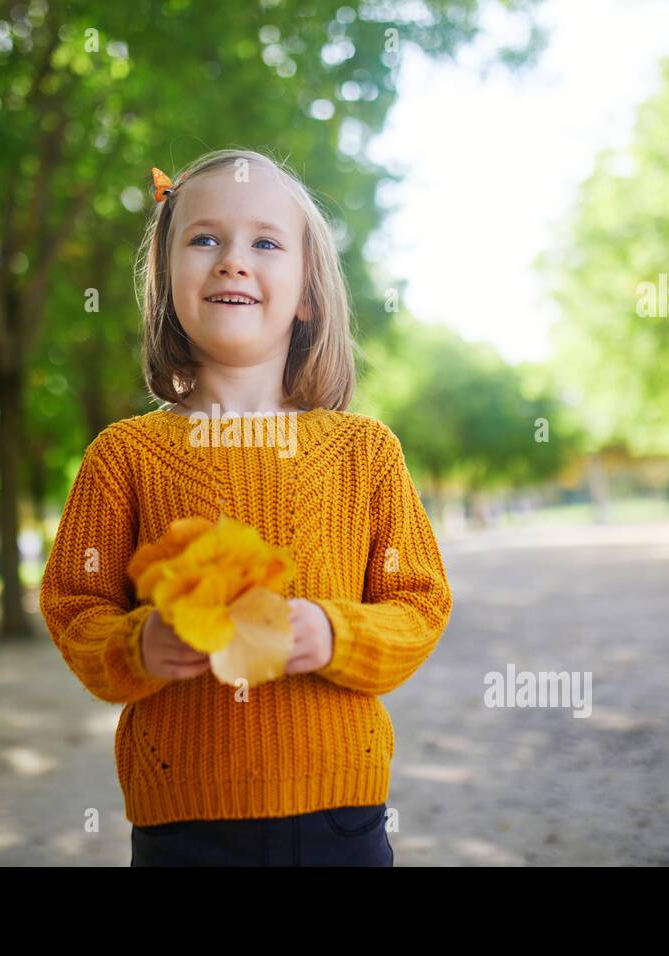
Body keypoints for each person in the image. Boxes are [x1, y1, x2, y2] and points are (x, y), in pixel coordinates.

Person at [38, 148, 453, 866]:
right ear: (167, 284)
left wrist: (336, 631)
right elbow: (75, 605)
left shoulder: (366, 452)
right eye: (204, 239)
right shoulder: (123, 456)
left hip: (338, 817)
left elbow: (419, 602)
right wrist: (138, 644)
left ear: (308, 293)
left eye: (265, 242)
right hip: (182, 823)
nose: (233, 260)